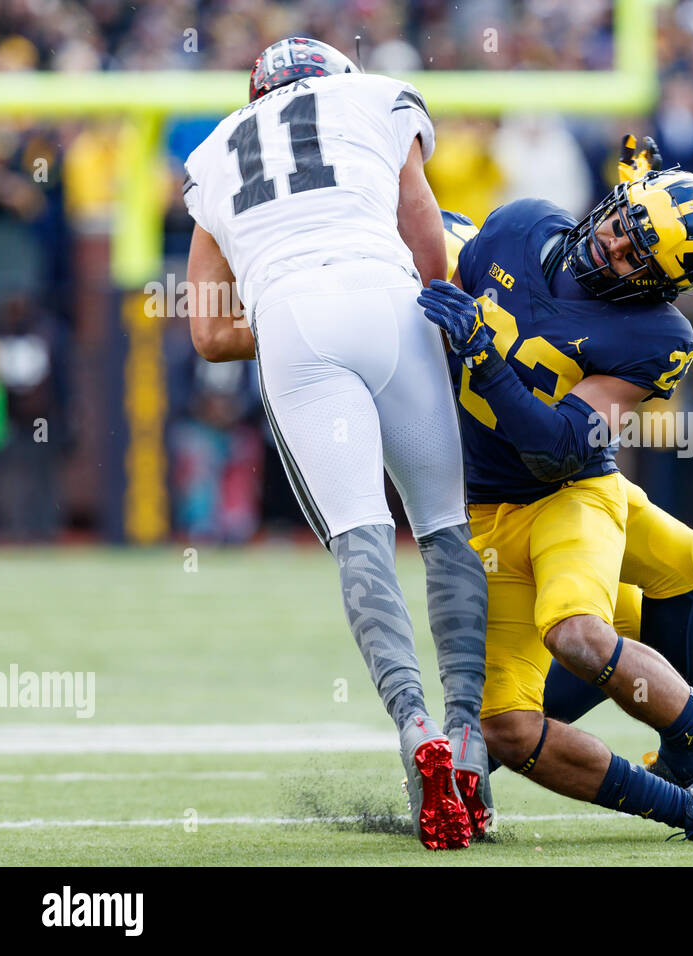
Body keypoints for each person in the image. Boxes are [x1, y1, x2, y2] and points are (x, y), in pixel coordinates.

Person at [416, 143, 693, 843]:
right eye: (622, 225)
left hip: (566, 495)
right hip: (478, 512)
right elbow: (428, 237)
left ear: (662, 286)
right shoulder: (522, 226)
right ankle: (692, 806)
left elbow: (558, 445)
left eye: (632, 257)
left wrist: (482, 358)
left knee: (581, 634)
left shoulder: (655, 335)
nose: (611, 245)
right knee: (505, 727)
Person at [181, 37, 487, 849]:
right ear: (334, 79)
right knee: (446, 529)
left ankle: (412, 725)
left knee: (361, 536)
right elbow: (424, 232)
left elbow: (210, 334)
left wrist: (289, 327)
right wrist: (439, 309)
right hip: (390, 302)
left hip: (291, 320)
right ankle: (467, 736)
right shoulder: (376, 97)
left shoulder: (214, 152)